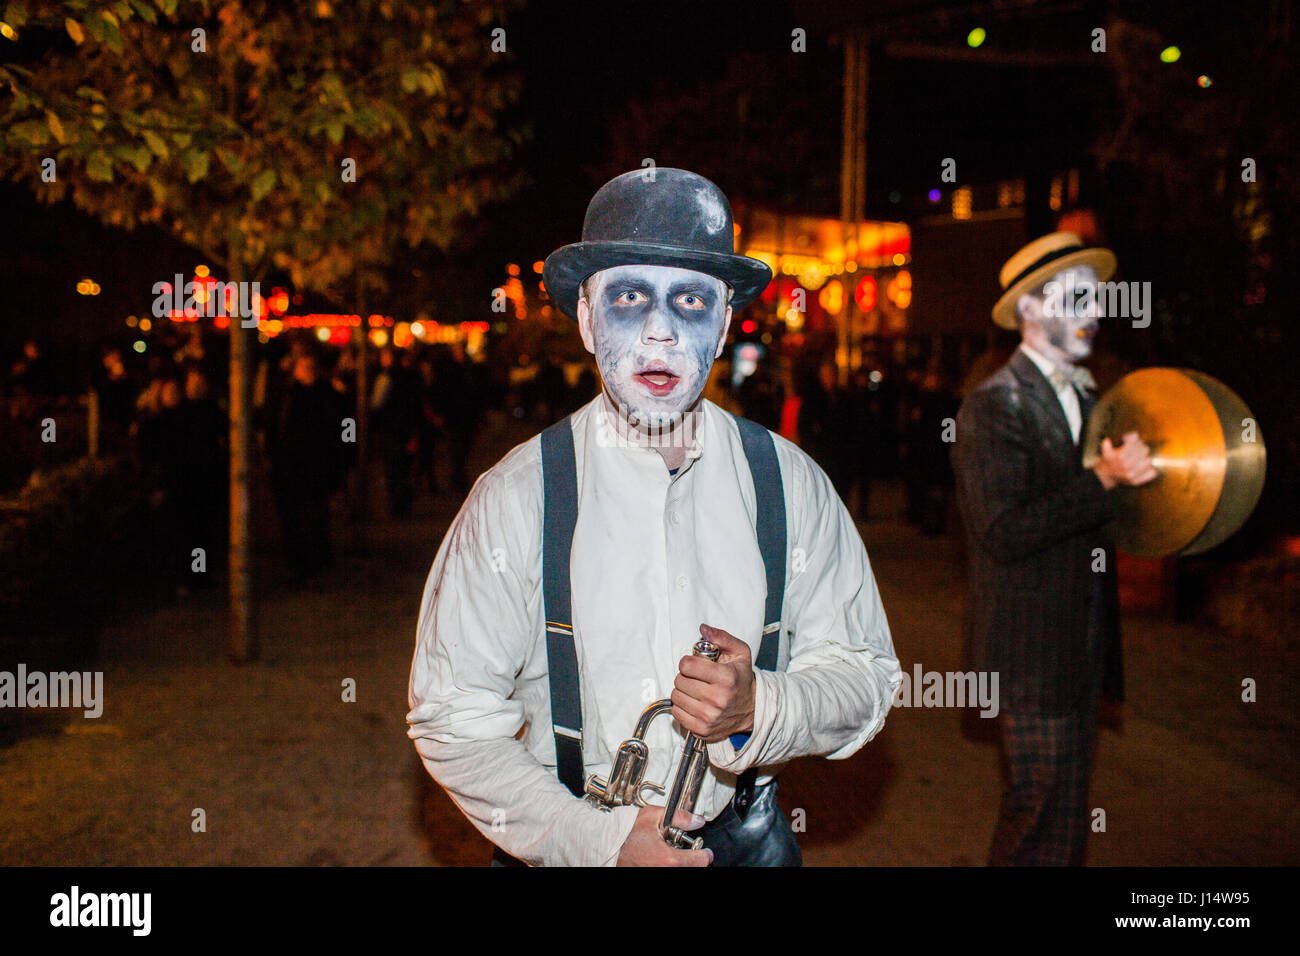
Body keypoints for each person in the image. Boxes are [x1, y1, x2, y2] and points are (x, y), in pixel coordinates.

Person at [407, 168, 900, 867]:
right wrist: (598, 842)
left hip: (744, 842)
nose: (662, 331)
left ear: (725, 323)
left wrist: (762, 705)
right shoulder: (515, 497)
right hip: (565, 841)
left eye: (692, 300)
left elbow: (865, 675)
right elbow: (452, 720)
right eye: (630, 297)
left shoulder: (791, 485)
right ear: (586, 319)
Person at [951, 232, 1157, 866]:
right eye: (1077, 299)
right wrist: (1101, 480)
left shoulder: (1092, 399)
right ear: (1031, 311)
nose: (1095, 313)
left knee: (1066, 822)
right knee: (1036, 809)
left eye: (1097, 300)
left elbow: (1096, 516)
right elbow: (1002, 530)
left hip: (1082, 647)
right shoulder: (993, 406)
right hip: (1030, 651)